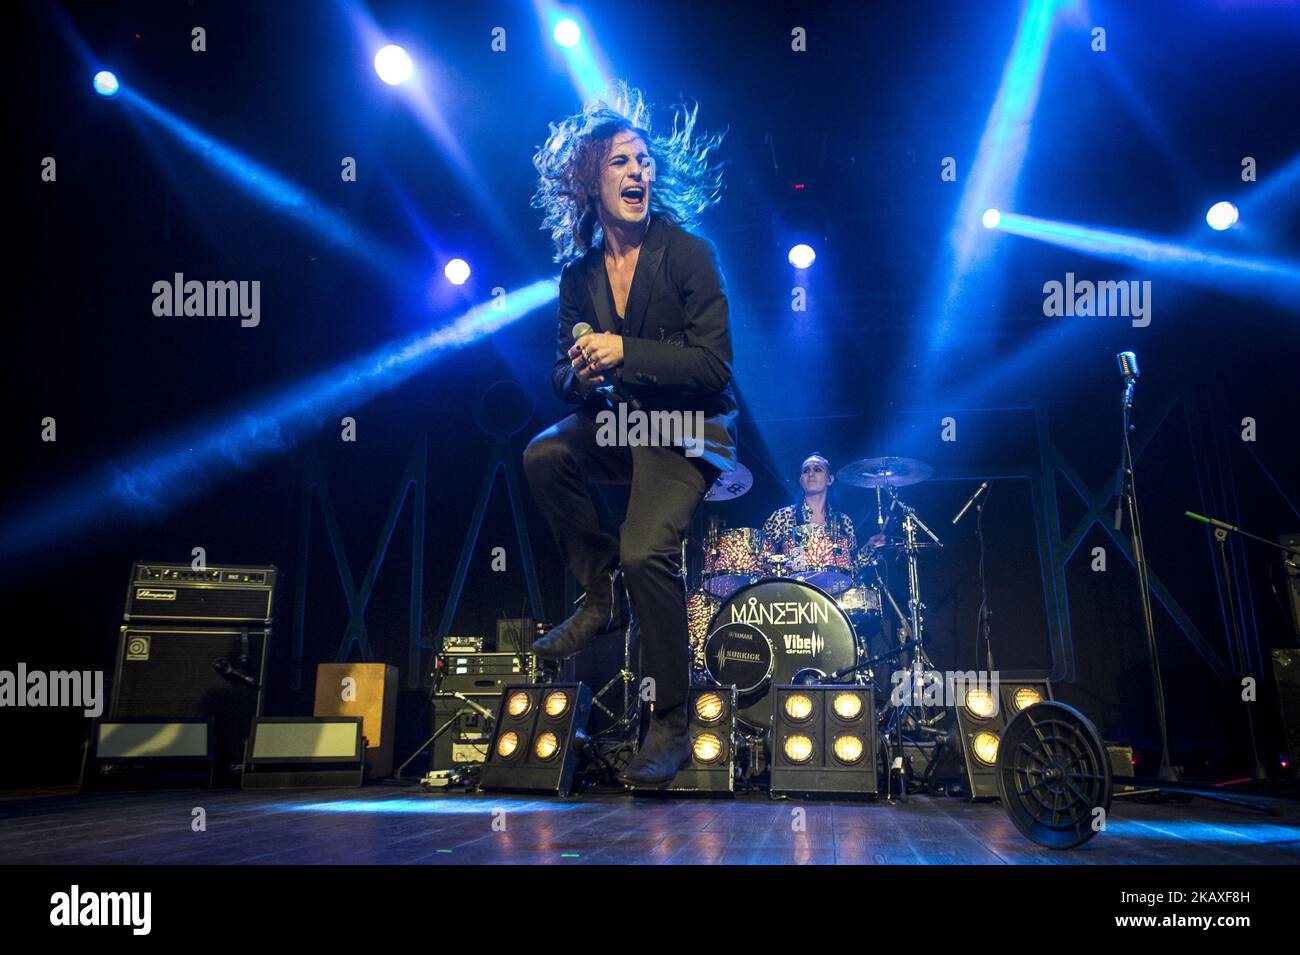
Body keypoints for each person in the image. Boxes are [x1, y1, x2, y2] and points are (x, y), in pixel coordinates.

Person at [522, 83, 736, 785]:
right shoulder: (577, 277)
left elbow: (713, 365)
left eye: (644, 160)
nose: (639, 172)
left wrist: (623, 350)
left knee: (649, 551)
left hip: (691, 425)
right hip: (623, 422)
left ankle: (672, 718)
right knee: (546, 452)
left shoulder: (688, 254)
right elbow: (561, 370)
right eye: (621, 162)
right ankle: (599, 593)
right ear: (590, 181)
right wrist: (581, 375)